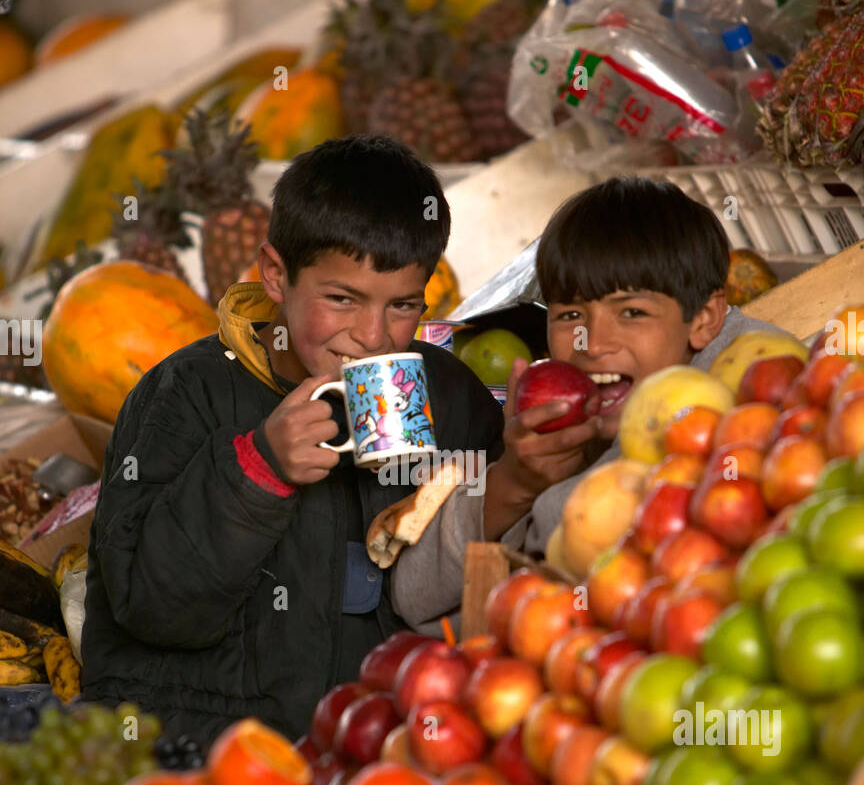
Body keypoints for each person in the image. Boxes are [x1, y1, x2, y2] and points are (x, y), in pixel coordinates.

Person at [81, 136, 504, 746]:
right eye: (341, 300)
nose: (373, 337)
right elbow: (151, 605)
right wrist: (259, 468)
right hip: (203, 748)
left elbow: (491, 573)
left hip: (376, 749)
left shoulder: (447, 398)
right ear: (276, 275)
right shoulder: (185, 394)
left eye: (403, 306)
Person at [392, 175, 795, 632]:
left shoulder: (749, 401)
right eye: (570, 315)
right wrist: (515, 482)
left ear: (703, 319)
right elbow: (412, 596)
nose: (594, 342)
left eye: (632, 312)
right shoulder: (555, 430)